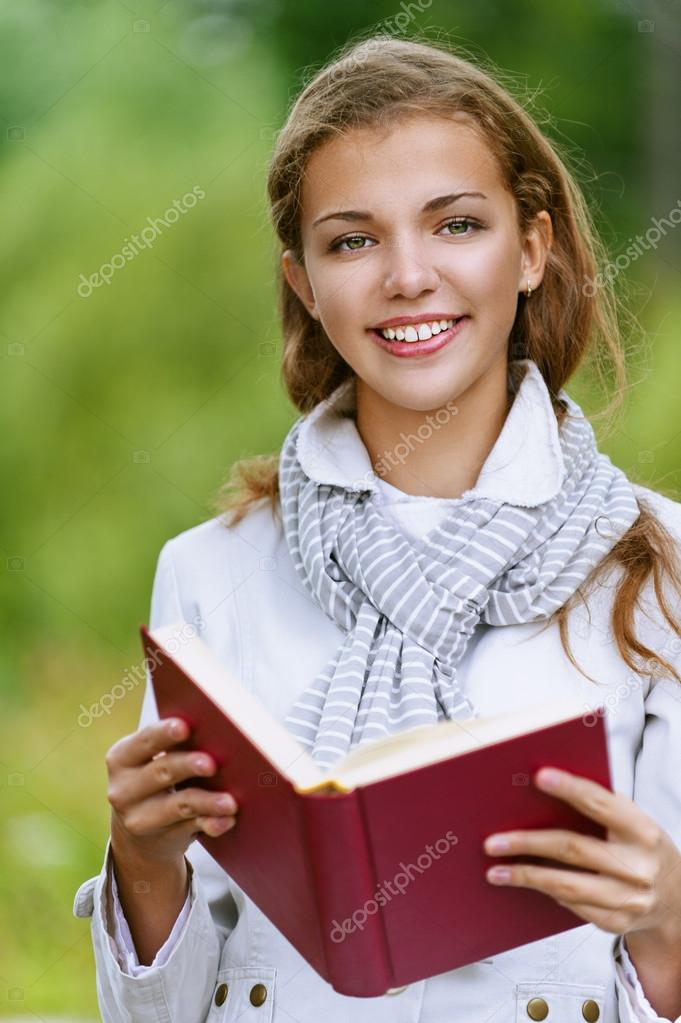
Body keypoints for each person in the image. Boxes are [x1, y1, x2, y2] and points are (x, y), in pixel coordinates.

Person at [73, 34, 681, 1023]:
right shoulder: (210, 572)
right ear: (307, 283)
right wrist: (143, 867)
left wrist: (665, 920)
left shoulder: (661, 570)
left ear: (531, 250)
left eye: (456, 225)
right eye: (353, 240)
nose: (408, 276)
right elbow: (158, 1017)